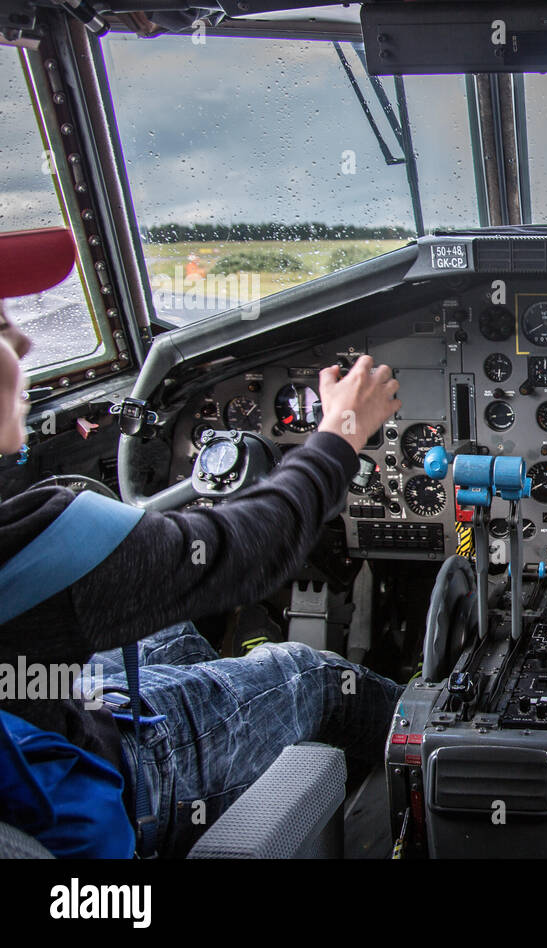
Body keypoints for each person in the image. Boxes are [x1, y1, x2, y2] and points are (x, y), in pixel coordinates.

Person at [0, 226, 404, 857]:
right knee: (305, 674)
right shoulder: (35, 547)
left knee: (172, 635)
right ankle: (426, 749)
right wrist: (339, 433)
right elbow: (248, 550)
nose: (22, 339)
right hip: (81, 783)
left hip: (35, 711)